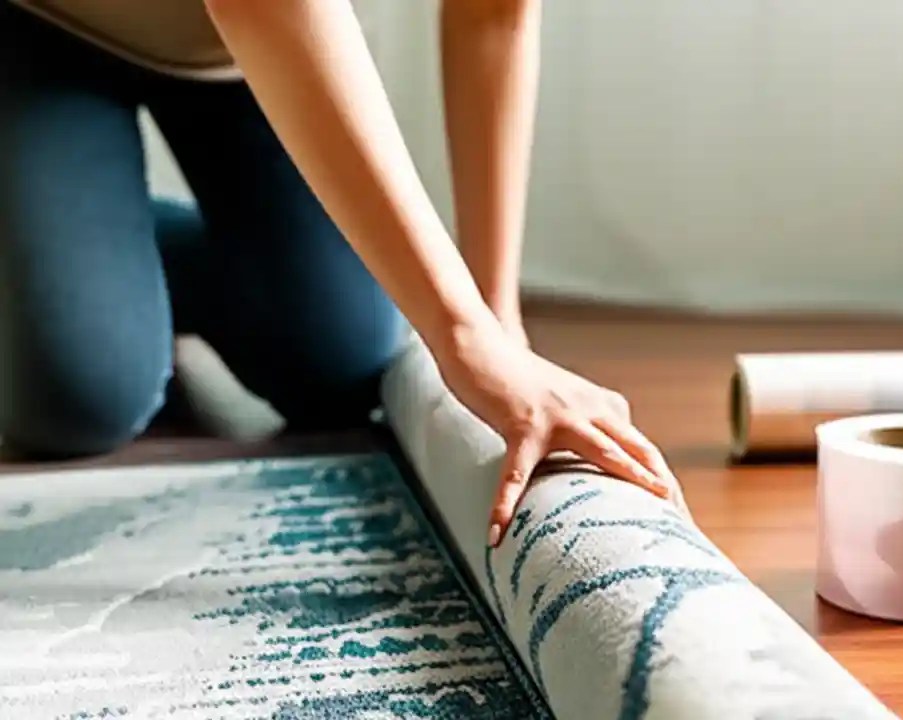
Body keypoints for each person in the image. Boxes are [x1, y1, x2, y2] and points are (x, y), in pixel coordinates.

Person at [0, 0, 677, 546]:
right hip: (39, 24)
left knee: (342, 356)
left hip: (227, 58)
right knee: (77, 396)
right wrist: (463, 337)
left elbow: (493, 14)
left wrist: (497, 323)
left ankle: (98, 256)